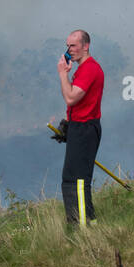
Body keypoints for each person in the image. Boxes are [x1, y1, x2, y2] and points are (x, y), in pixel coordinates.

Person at [57, 29, 104, 225]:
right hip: (79, 126)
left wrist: (62, 74)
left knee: (77, 180)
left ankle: (81, 226)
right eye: (68, 46)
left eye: (73, 46)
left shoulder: (89, 69)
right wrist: (69, 124)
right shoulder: (82, 69)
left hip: (85, 128)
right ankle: (86, 221)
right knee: (71, 178)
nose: (69, 50)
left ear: (86, 46)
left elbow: (70, 97)